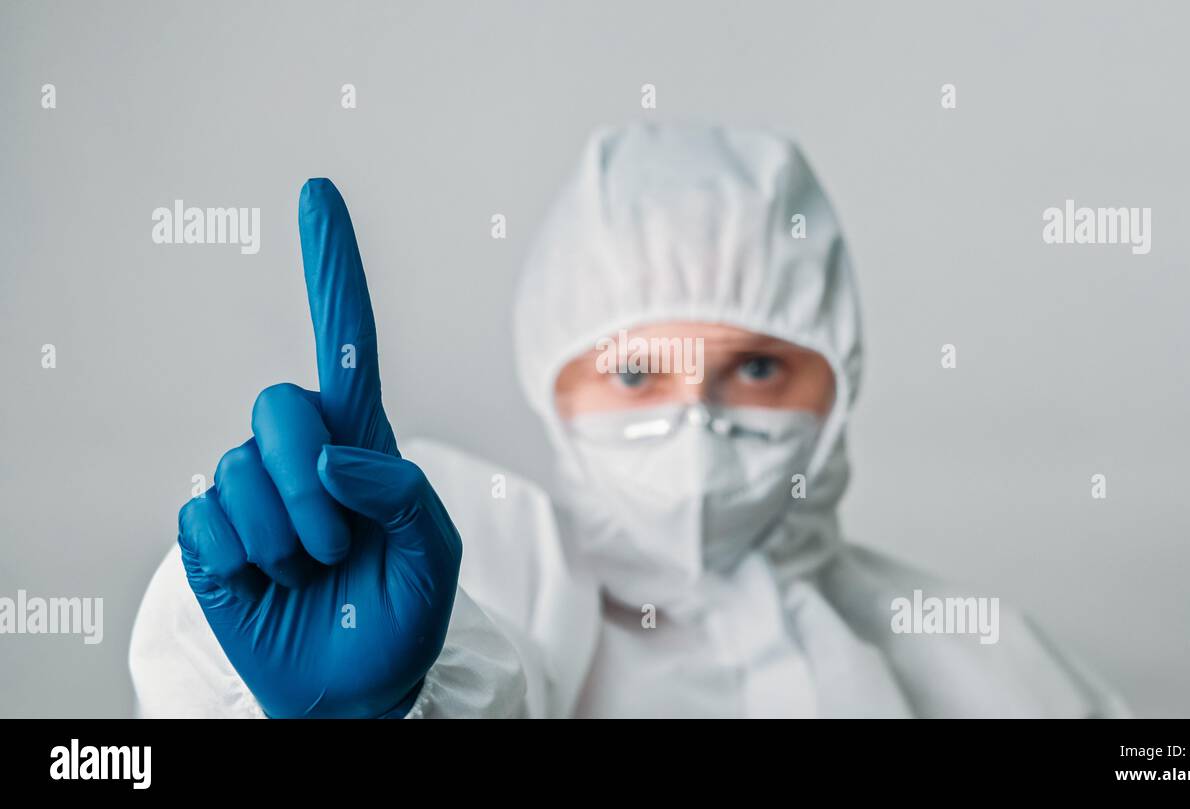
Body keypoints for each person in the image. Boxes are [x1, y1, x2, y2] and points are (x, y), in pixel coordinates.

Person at [129, 123, 1128, 718]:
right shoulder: (478, 563)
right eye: (639, 370)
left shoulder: (985, 664)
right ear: (552, 379)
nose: (697, 412)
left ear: (839, 382)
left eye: (760, 365)